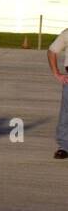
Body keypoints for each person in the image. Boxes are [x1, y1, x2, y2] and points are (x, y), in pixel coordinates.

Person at [45, 26, 68, 159]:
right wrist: (57, 74)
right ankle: (64, 146)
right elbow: (52, 51)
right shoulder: (67, 34)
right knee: (66, 114)